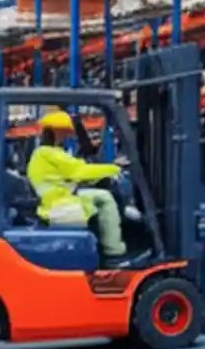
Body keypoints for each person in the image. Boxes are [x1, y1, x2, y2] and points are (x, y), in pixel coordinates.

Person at [27, 111, 141, 269]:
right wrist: (114, 168)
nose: (65, 136)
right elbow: (79, 171)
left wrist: (98, 172)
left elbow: (74, 171)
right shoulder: (48, 153)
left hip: (59, 199)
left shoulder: (46, 153)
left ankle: (109, 248)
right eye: (63, 132)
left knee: (102, 196)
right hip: (58, 205)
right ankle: (114, 253)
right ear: (54, 132)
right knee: (106, 200)